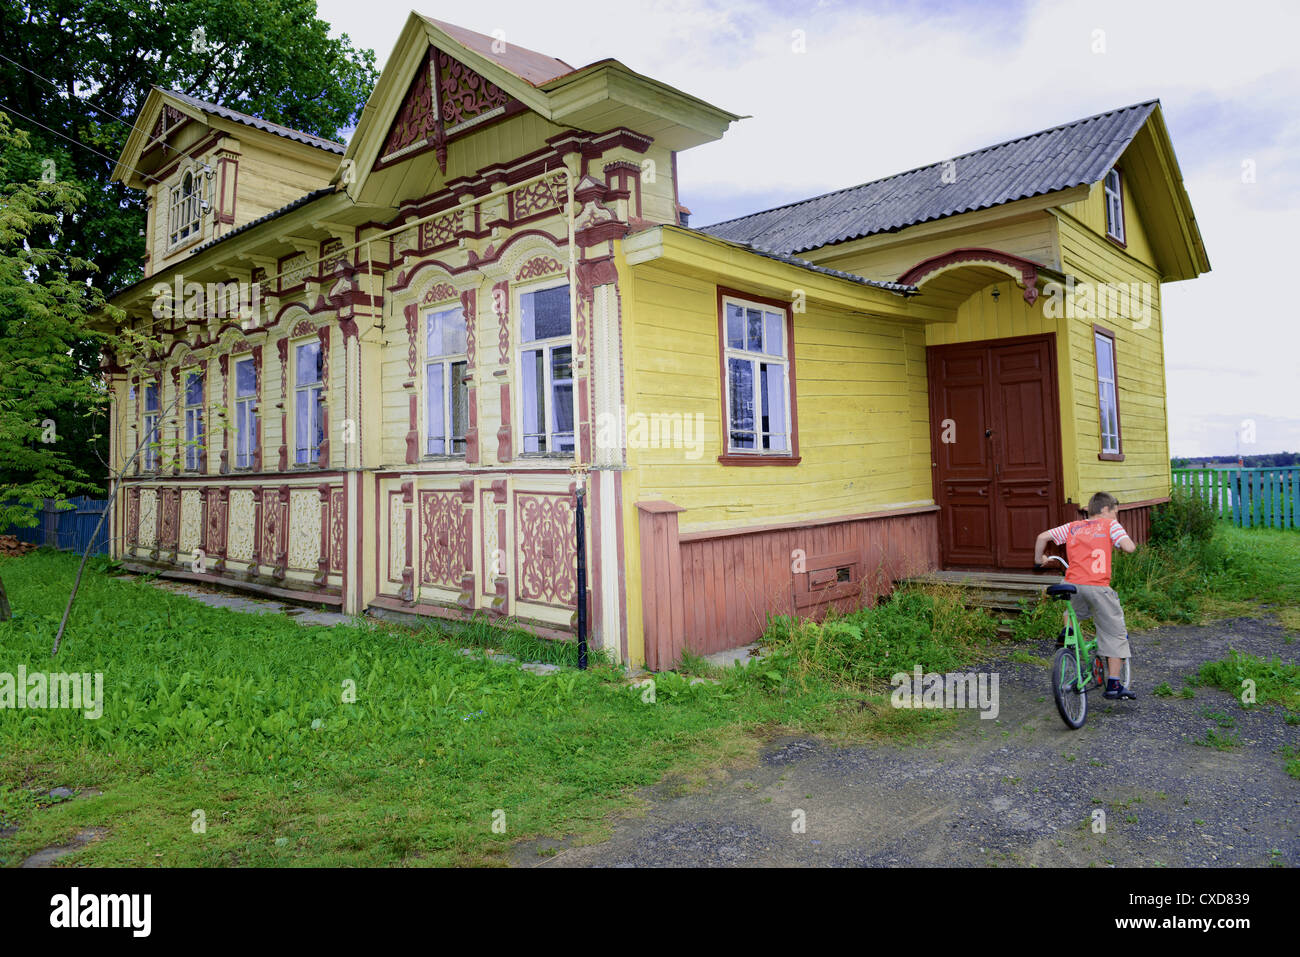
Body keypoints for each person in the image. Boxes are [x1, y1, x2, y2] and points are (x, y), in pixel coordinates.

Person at [1033, 492, 1137, 700]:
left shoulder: (1073, 526)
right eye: (1115, 512)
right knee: (1114, 633)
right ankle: (1114, 684)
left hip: (1072, 584)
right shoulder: (1110, 525)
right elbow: (1129, 547)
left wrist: (1039, 560)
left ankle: (1068, 633)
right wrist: (1117, 540)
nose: (1116, 517)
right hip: (1098, 586)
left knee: (1072, 611)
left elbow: (1042, 537)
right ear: (1105, 510)